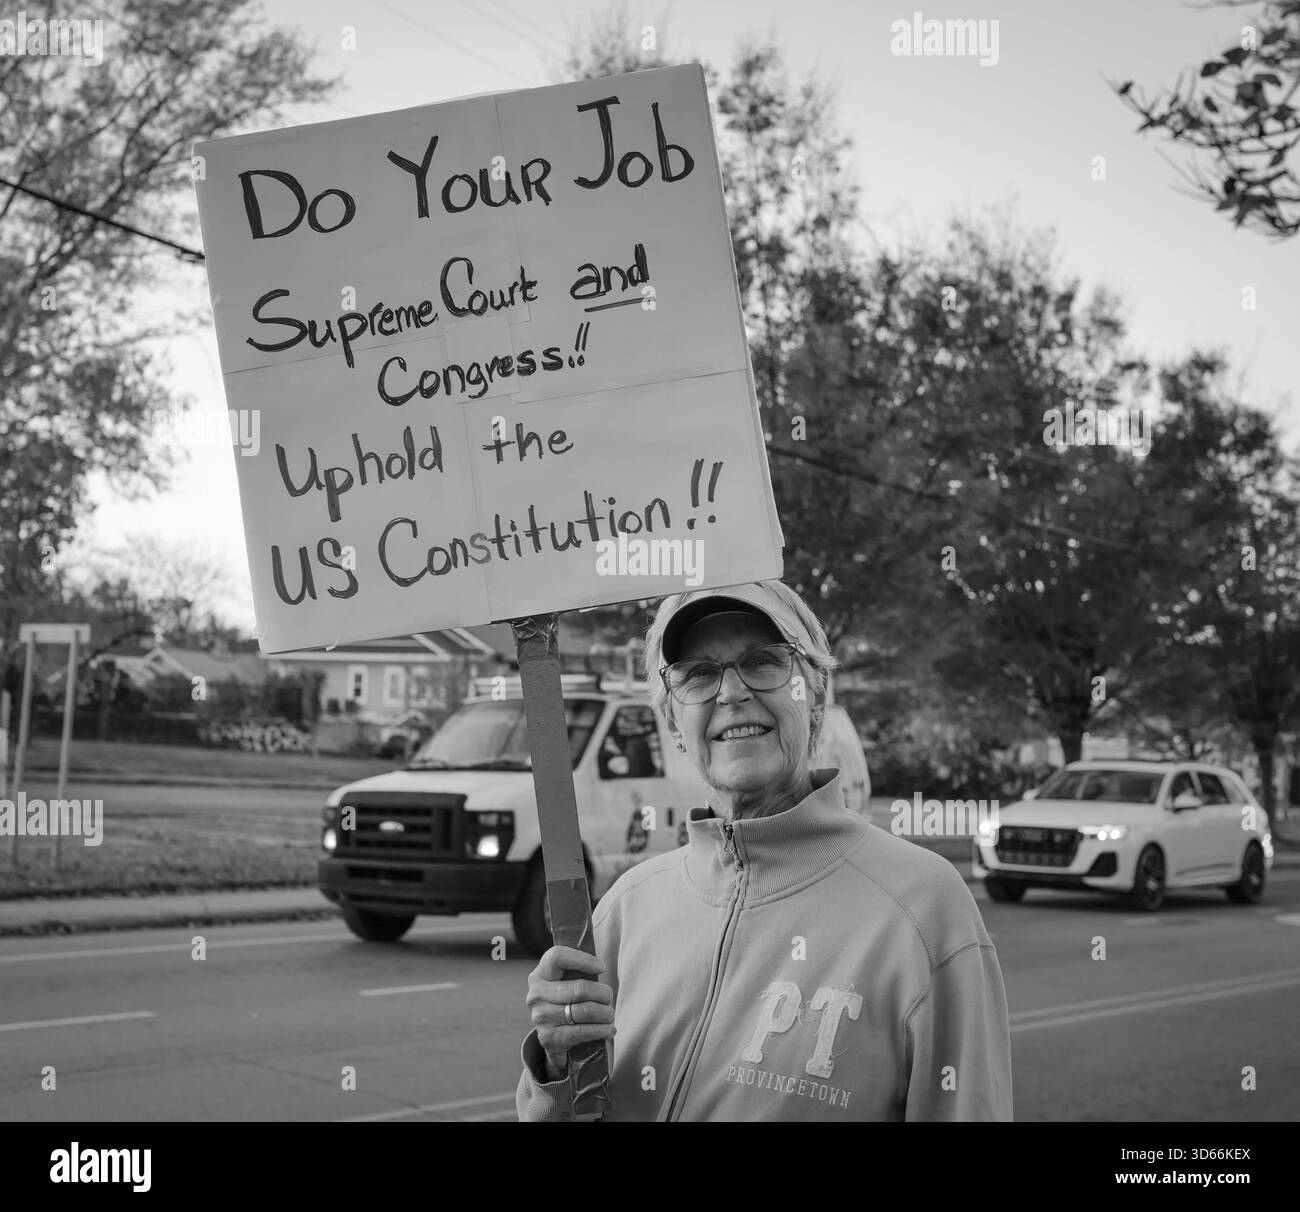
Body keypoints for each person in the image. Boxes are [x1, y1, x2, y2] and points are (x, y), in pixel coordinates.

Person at [517, 579, 1013, 1121]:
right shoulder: (626, 908)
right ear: (673, 723)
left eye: (763, 661)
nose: (731, 693)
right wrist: (556, 1066)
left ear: (817, 695)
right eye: (698, 674)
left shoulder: (923, 908)